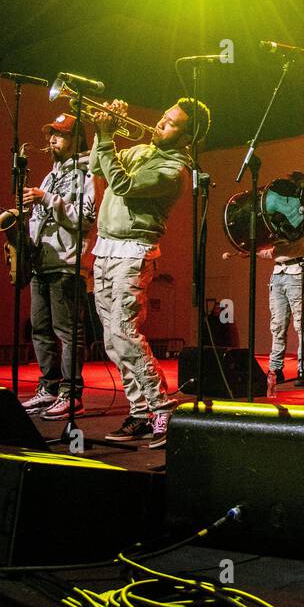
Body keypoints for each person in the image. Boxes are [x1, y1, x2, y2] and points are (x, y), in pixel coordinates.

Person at [90, 98, 209, 448]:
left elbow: (123, 185)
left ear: (187, 137)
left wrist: (106, 135)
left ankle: (163, 407)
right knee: (111, 339)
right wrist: (102, 134)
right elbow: (100, 166)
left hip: (133, 252)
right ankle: (140, 411)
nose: (160, 123)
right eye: (164, 116)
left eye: (171, 123)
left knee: (125, 331)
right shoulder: (141, 149)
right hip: (105, 249)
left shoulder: (174, 170)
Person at [20, 114, 98, 420]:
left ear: (77, 139)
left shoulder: (88, 173)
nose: (52, 139)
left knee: (68, 332)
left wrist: (48, 199)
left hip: (67, 264)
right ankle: (48, 388)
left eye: (60, 135)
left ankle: (71, 393)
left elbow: (84, 220)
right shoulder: (51, 174)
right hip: (42, 261)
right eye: (51, 134)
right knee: (40, 329)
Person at [260, 172, 304, 386]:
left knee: (302, 324)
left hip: (299, 272)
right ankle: (275, 369)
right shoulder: (282, 215)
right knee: (277, 325)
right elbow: (276, 249)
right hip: (279, 273)